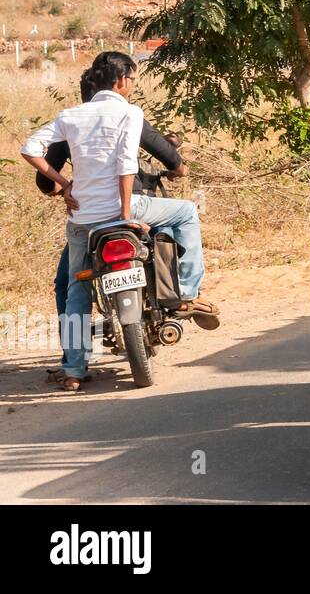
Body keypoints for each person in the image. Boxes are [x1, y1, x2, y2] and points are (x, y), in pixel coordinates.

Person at [21, 52, 218, 392]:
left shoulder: (70, 115)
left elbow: (29, 148)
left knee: (75, 290)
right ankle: (184, 292)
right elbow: (127, 165)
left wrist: (66, 184)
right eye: (132, 80)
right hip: (125, 209)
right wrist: (126, 215)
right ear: (123, 80)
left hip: (83, 218)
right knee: (185, 211)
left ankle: (74, 369)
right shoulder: (130, 112)